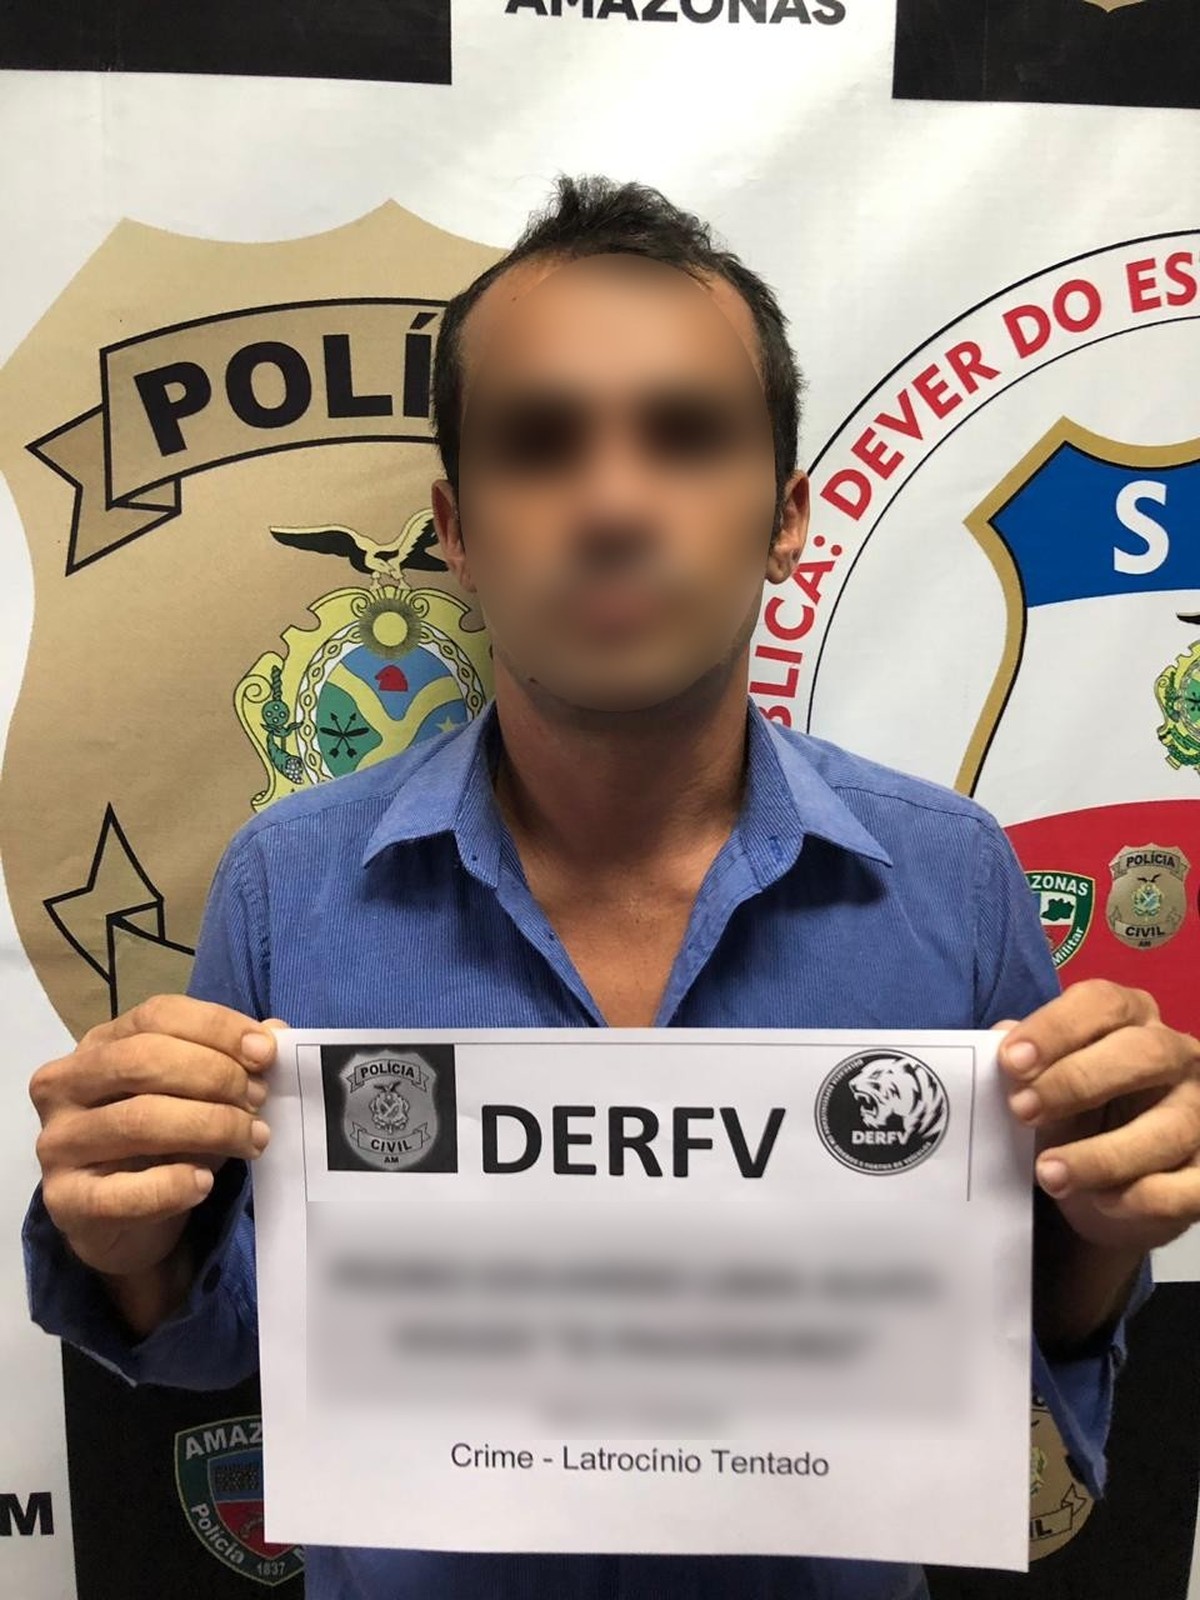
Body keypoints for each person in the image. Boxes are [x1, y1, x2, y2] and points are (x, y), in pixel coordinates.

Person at [23, 175, 1200, 1600]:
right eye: (541, 444)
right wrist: (132, 1245)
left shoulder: (952, 878)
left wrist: (1099, 1232)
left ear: (787, 520)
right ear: (457, 532)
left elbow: (1020, 1349)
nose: (615, 502)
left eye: (687, 437)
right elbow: (233, 1344)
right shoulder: (292, 883)